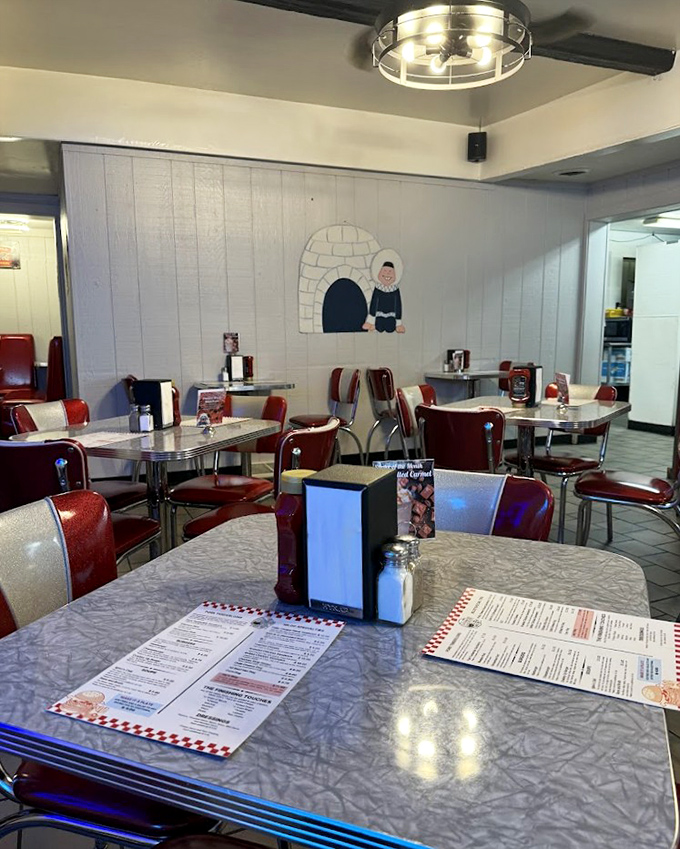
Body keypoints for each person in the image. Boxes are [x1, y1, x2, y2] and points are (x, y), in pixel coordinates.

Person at [362, 248, 405, 334]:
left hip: (391, 315)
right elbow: (374, 304)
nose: (387, 274)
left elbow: (398, 305)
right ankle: (374, 324)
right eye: (385, 271)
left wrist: (398, 322)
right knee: (380, 326)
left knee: (390, 327)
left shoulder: (395, 290)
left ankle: (392, 325)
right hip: (379, 315)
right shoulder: (378, 288)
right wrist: (370, 320)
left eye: (390, 271)